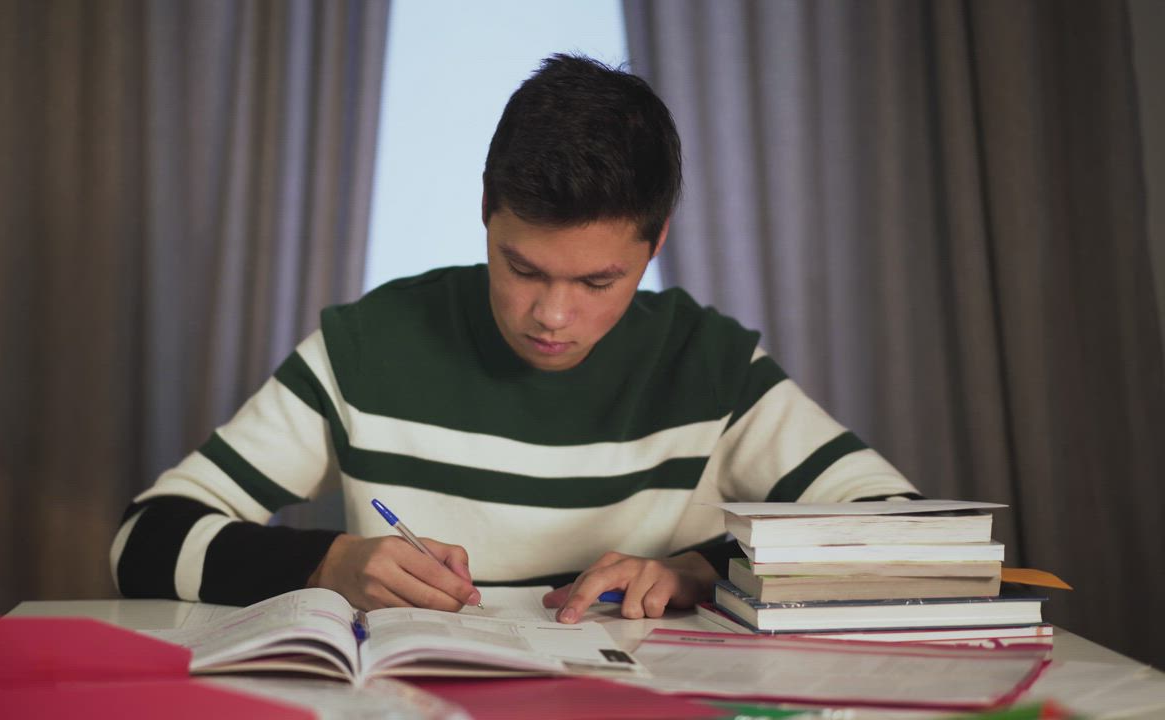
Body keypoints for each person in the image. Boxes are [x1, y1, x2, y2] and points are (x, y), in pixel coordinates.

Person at [110, 54, 918, 623]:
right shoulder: (368, 350)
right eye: (522, 267)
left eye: (598, 282)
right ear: (486, 210)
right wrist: (325, 565)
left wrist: (698, 570)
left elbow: (907, 534)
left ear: (656, 242)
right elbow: (143, 540)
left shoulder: (709, 367)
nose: (551, 315)